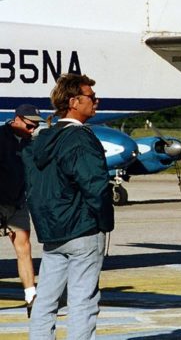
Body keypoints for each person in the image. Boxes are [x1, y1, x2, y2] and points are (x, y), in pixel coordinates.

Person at [22, 73, 114, 339]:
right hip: (82, 229)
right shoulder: (80, 138)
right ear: (74, 101)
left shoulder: (42, 139)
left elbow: (34, 186)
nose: (97, 101)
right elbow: (95, 184)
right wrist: (105, 221)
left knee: (45, 301)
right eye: (92, 97)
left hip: (52, 231)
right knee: (83, 302)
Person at [1, 104, 42, 316]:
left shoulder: (29, 142)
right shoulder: (1, 137)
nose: (32, 129)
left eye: (35, 125)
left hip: (17, 203)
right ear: (16, 119)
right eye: (29, 125)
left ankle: (30, 296)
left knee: (24, 248)